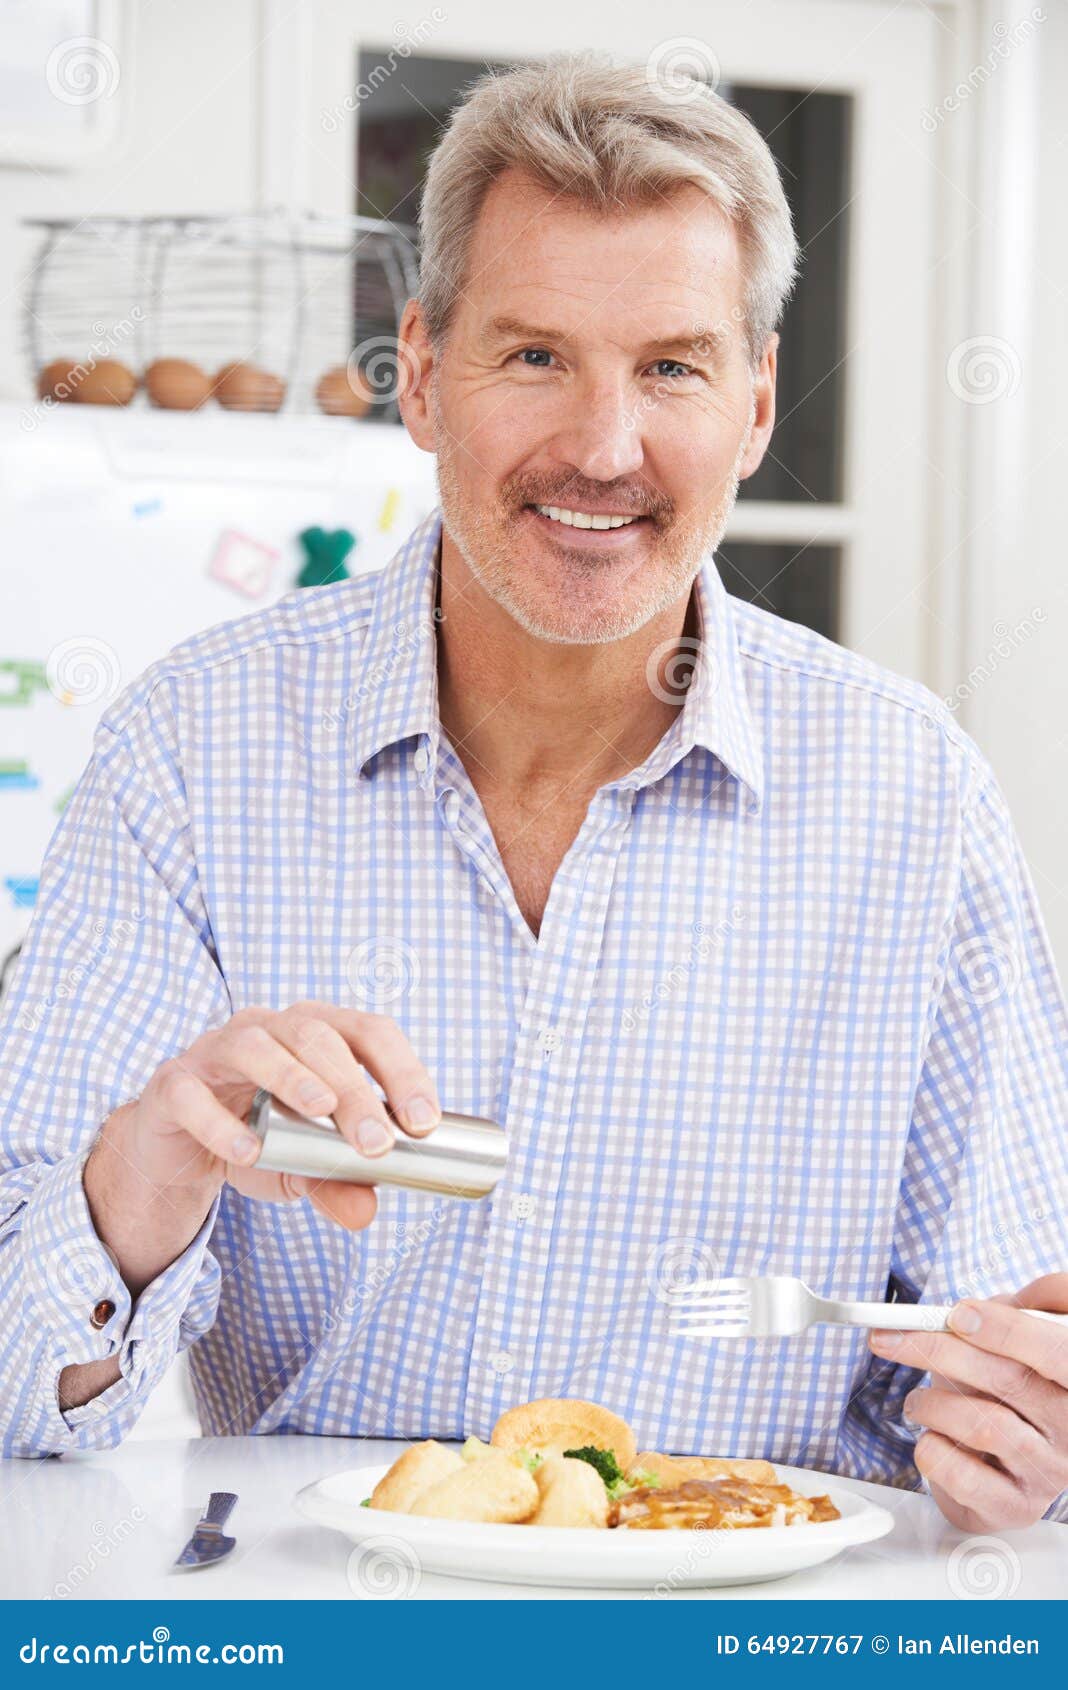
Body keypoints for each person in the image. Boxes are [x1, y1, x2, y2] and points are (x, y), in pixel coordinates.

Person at [1, 52, 1066, 1533]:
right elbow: (13, 1383)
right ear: (425, 373)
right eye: (535, 357)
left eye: (674, 366)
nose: (603, 448)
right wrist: (146, 1171)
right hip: (314, 1618)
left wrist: (1022, 1430)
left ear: (758, 403)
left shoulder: (913, 793)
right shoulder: (197, 745)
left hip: (759, 1622)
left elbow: (1001, 1335)